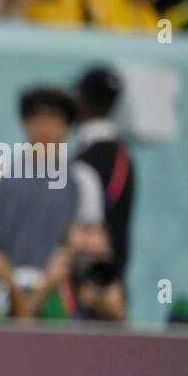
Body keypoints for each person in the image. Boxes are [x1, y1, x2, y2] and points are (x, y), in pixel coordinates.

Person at [0, 85, 103, 274]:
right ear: (24, 123)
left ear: (68, 126)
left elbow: (90, 240)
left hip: (61, 290)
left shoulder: (83, 179)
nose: (45, 127)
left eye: (53, 118)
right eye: (37, 118)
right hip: (6, 286)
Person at [71, 67, 135, 275]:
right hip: (112, 277)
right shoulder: (124, 158)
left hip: (91, 277)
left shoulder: (85, 160)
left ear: (82, 100)